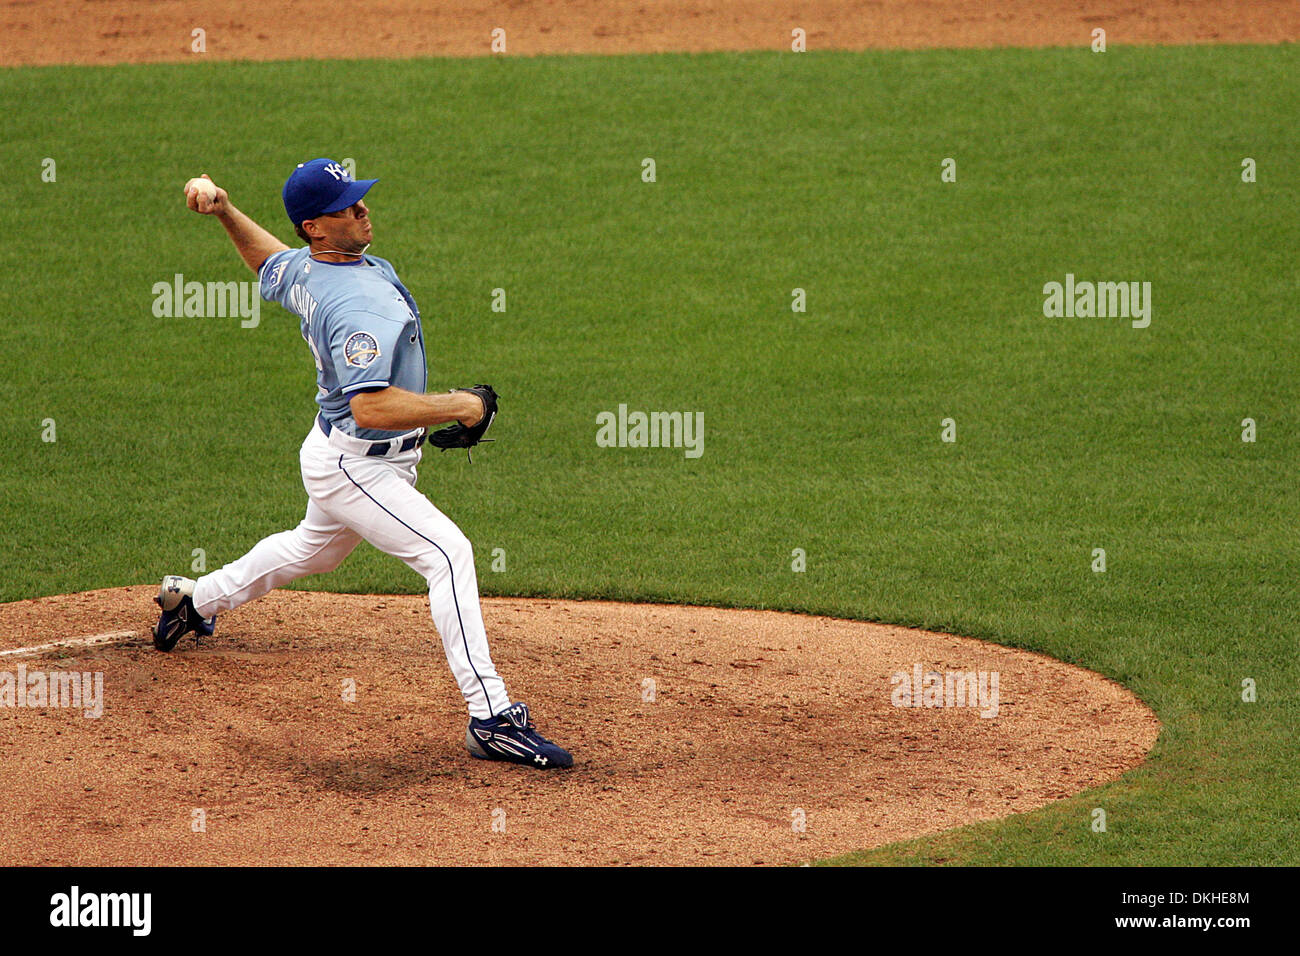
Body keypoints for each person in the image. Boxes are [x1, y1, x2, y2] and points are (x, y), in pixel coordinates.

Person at [152, 158, 571, 770]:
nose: (362, 208)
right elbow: (371, 407)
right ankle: (493, 718)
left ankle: (195, 602)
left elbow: (271, 263)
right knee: (448, 554)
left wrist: (225, 211)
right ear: (316, 226)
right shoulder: (356, 307)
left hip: (343, 454)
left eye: (359, 199)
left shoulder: (315, 266)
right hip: (357, 463)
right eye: (347, 205)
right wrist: (464, 405)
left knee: (312, 550)